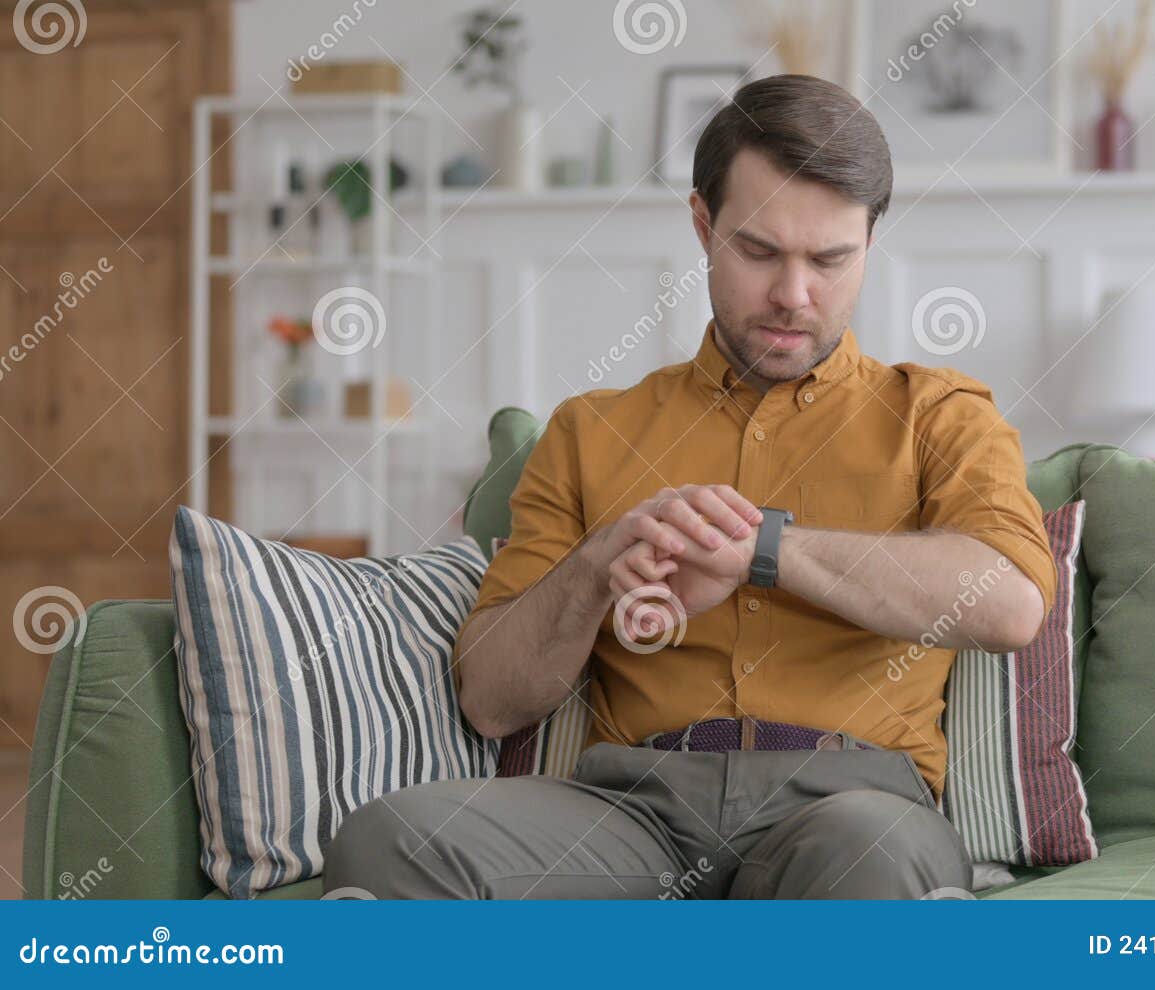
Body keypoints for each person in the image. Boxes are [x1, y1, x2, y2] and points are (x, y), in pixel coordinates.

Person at [323, 73, 1056, 900]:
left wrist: (762, 549)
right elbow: (492, 702)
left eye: (829, 259)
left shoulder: (939, 415)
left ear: (869, 243)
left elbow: (1009, 605)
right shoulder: (590, 430)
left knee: (867, 857)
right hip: (633, 812)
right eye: (758, 251)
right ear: (704, 227)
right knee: (395, 840)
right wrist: (598, 566)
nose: (793, 294)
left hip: (853, 806)